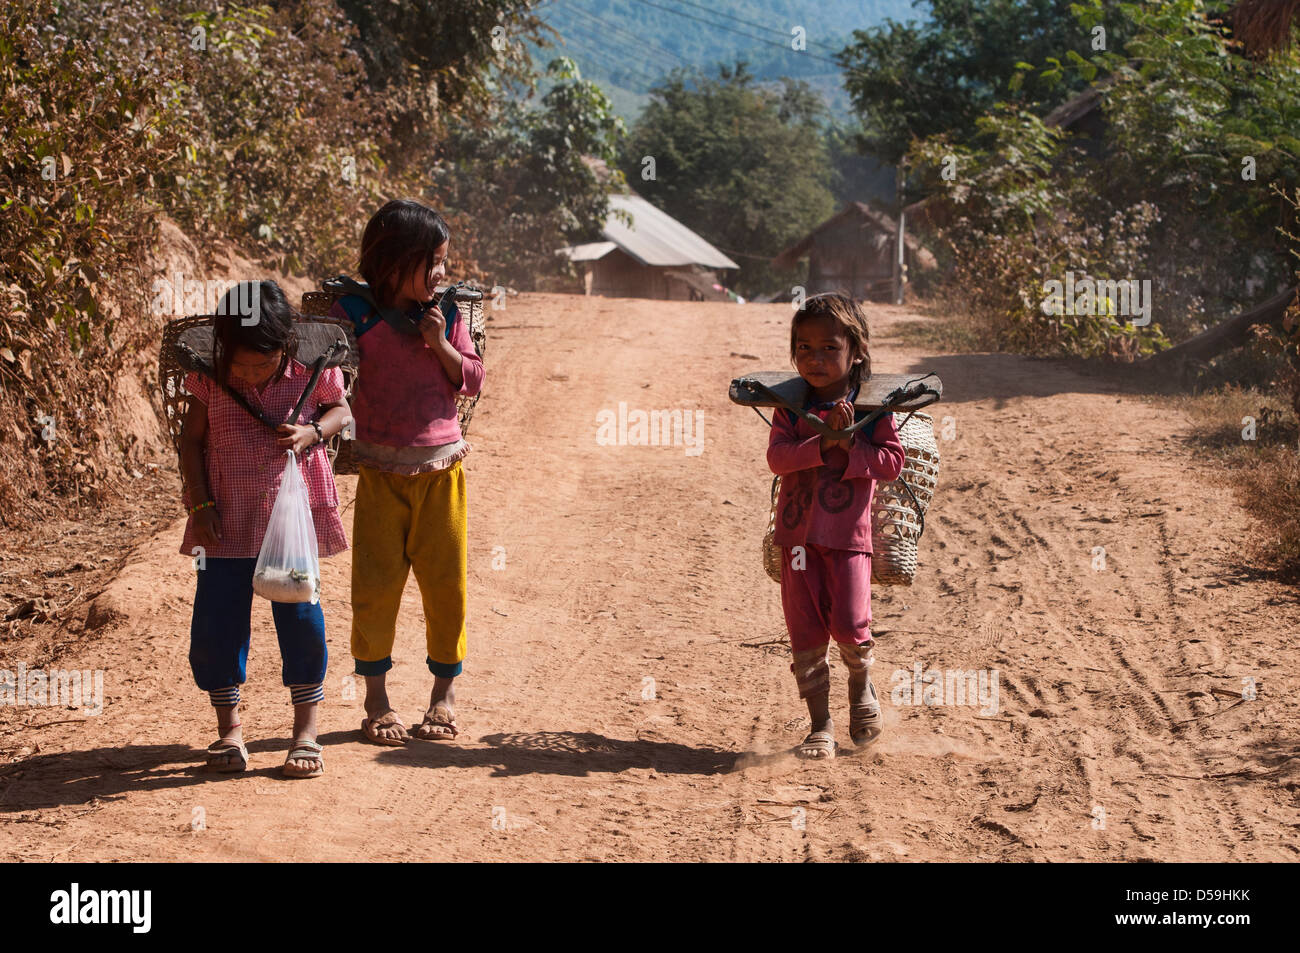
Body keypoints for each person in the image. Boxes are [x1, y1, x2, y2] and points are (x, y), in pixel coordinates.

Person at [328, 199, 484, 746]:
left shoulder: (452, 314)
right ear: (392, 263)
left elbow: (473, 379)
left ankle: (443, 694)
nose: (441, 273)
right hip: (379, 472)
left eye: (444, 261)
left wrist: (439, 343)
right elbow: (324, 369)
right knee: (374, 589)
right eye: (431, 262)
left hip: (441, 473)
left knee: (446, 588)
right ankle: (375, 700)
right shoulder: (354, 313)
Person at [179, 280, 351, 778]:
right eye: (241, 364)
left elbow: (341, 412)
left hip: (288, 526)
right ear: (221, 348)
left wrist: (312, 432)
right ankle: (229, 733)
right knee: (216, 627)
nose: (251, 374)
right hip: (224, 523)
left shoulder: (312, 372)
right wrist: (201, 504)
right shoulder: (208, 379)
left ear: (286, 345)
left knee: (300, 621)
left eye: (263, 362)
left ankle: (305, 734)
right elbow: (191, 443)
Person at [766, 293, 905, 759]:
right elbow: (777, 458)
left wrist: (848, 447)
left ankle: (861, 686)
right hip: (796, 539)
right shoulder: (790, 406)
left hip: (848, 538)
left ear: (856, 350)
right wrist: (822, 445)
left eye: (829, 348)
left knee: (849, 622)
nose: (815, 358)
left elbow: (890, 462)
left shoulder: (871, 408)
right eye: (804, 348)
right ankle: (819, 726)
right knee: (805, 632)